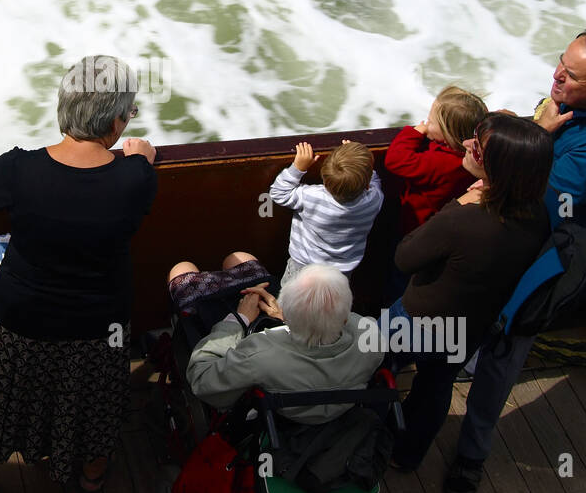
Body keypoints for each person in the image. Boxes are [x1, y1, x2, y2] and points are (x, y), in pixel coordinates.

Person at [0, 55, 157, 493]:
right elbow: (136, 165)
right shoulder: (136, 178)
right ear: (115, 121)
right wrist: (141, 156)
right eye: (129, 114)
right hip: (99, 326)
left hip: (20, 321)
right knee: (93, 404)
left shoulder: (20, 169)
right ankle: (91, 474)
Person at [445, 22, 586, 493]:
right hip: (518, 234)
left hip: (548, 254)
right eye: (561, 63)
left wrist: (530, 135)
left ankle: (472, 452)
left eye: (571, 76)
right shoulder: (574, 101)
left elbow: (534, 201)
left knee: (506, 348)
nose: (557, 77)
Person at [386, 113, 553, 471]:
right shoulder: (538, 215)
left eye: (476, 147)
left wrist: (457, 205)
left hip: (418, 318)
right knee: (434, 387)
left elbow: (405, 257)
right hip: (471, 327)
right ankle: (407, 455)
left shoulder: (463, 217)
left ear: (497, 167)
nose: (465, 144)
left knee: (374, 364)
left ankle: (364, 437)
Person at [182, 260, 385, 424]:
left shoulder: (260, 354)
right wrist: (289, 318)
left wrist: (238, 320)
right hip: (337, 419)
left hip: (278, 424)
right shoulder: (371, 336)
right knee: (241, 260)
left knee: (185, 269)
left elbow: (202, 380)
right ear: (345, 317)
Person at [269, 139, 383, 292]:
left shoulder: (311, 197)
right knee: (330, 306)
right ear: (367, 183)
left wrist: (298, 168)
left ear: (324, 177)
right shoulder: (374, 199)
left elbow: (278, 193)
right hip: (341, 272)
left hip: (303, 266)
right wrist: (362, 164)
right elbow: (375, 181)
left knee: (290, 301)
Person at [383, 85, 489, 237]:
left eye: (430, 121)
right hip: (443, 214)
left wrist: (414, 133)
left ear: (448, 133)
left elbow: (395, 160)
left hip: (419, 221)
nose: (426, 124)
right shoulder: (473, 158)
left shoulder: (441, 162)